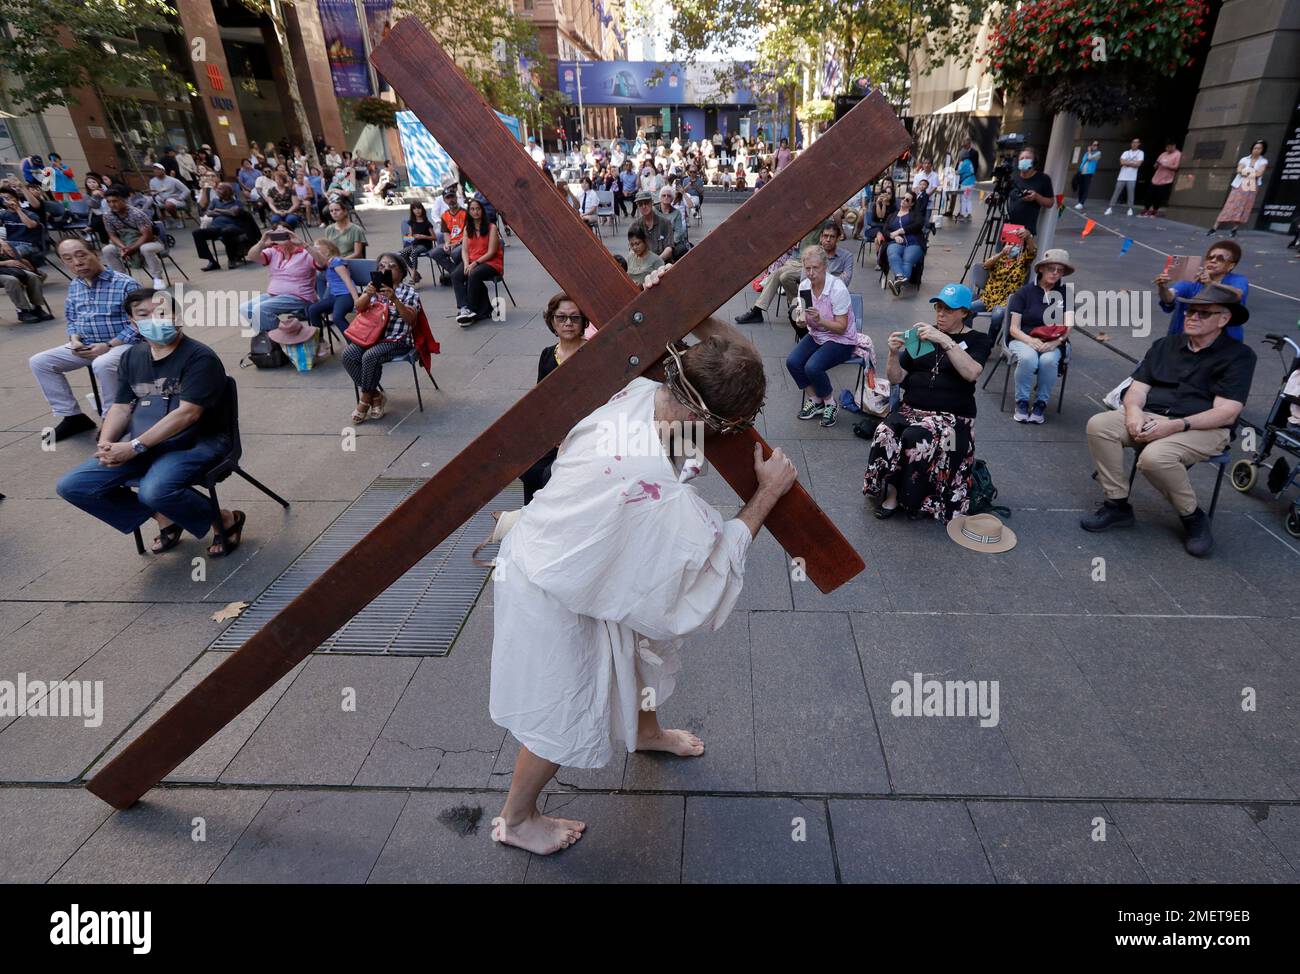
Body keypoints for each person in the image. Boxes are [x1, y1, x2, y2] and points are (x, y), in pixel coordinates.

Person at [488, 329, 796, 855]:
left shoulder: (633, 389)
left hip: (586, 563)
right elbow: (702, 581)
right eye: (728, 427)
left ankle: (646, 731)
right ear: (707, 421)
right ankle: (517, 820)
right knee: (561, 704)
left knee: (639, 653)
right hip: (554, 590)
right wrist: (766, 493)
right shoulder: (655, 496)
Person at [55, 287, 247, 557]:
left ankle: (225, 520)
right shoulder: (131, 356)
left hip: (197, 441)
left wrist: (134, 447)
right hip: (147, 440)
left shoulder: (199, 357)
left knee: (154, 490)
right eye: (143, 314)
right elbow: (120, 407)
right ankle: (165, 517)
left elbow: (188, 414)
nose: (154, 320)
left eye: (161, 312)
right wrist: (107, 444)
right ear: (133, 323)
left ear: (176, 317)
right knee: (74, 486)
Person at [1081, 283, 1256, 557]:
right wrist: (1134, 413)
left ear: (1224, 319)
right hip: (1154, 415)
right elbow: (1138, 389)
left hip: (1203, 426)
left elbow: (1227, 412)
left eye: (1203, 313)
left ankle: (1193, 517)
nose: (1192, 316)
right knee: (1100, 425)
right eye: (1190, 310)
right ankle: (1117, 505)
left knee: (1154, 458)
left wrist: (1176, 425)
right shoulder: (1165, 345)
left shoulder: (1239, 356)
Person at [864, 283, 994, 521]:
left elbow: (972, 372)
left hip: (953, 418)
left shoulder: (978, 340)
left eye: (948, 310)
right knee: (885, 430)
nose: (941, 314)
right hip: (912, 408)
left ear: (965, 312)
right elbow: (897, 378)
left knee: (915, 436)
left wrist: (945, 340)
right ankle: (888, 489)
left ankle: (903, 498)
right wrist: (893, 354)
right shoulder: (922, 336)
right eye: (938, 308)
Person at [29, 238, 143, 440]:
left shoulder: (125, 283)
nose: (77, 262)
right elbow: (72, 318)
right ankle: (72, 416)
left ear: (95, 254)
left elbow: (140, 323)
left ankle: (112, 420)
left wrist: (108, 345)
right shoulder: (76, 285)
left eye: (81, 255)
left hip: (124, 345)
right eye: (68, 259)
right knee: (40, 361)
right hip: (87, 345)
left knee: (103, 363)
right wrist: (74, 339)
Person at [520, 293, 589, 504]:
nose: (568, 323)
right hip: (552, 432)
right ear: (552, 321)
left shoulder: (592, 353)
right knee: (529, 469)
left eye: (575, 317)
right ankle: (532, 520)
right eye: (561, 317)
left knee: (553, 474)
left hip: (585, 431)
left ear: (584, 321)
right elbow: (541, 400)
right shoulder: (548, 354)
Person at [786, 245, 858, 428]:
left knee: (813, 367)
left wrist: (820, 320)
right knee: (793, 362)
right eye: (807, 268)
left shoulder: (837, 289)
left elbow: (841, 328)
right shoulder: (804, 286)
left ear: (825, 267)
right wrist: (800, 321)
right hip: (818, 333)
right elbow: (802, 318)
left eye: (815, 268)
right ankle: (815, 399)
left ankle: (830, 404)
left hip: (842, 340)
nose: (810, 273)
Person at [343, 252, 420, 422]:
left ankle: (364, 401)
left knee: (370, 356)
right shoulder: (374, 288)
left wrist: (395, 299)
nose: (386, 269)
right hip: (370, 337)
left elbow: (410, 319)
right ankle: (375, 396)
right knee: (348, 354)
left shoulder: (409, 292)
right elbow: (358, 308)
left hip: (397, 340)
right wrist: (368, 294)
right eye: (382, 266)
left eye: (392, 267)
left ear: (401, 272)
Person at [1006, 248, 1075, 424]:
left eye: (1060, 270)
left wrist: (1056, 342)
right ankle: (1021, 401)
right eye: (1052, 268)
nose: (1055, 273)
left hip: (1055, 340)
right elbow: (1013, 329)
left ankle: (1040, 403)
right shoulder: (1024, 292)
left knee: (1049, 361)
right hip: (1023, 338)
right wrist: (1031, 341)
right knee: (1029, 358)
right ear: (1041, 269)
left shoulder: (1066, 293)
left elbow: (1069, 325)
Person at [1156, 240, 1249, 341]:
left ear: (1231, 266)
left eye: (1220, 259)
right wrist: (1163, 286)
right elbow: (1169, 298)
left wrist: (1211, 284)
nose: (1213, 261)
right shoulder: (1193, 278)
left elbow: (1237, 294)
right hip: (1184, 339)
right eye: (1210, 257)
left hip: (1223, 342)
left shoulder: (1238, 280)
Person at [240, 229, 322, 333]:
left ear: (291, 235)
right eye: (276, 234)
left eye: (283, 234)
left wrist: (303, 244)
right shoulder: (274, 251)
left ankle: (279, 340)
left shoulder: (305, 253)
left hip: (299, 297)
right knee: (244, 309)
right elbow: (251, 256)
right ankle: (269, 340)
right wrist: (262, 243)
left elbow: (323, 263)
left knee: (260, 309)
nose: (279, 237)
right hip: (274, 295)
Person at [970, 226, 1036, 341]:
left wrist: (1028, 236)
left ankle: (989, 342)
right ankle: (967, 338)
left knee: (998, 315)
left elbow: (1032, 252)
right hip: (988, 298)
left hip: (1005, 301)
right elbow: (985, 265)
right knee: (966, 309)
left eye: (1016, 244)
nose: (1013, 247)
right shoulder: (999, 258)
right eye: (1010, 243)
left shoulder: (1022, 260)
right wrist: (1001, 254)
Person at [101, 189, 167, 288]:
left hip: (150, 242)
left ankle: (158, 278)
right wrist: (123, 247)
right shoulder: (107, 216)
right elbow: (112, 235)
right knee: (107, 249)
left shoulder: (136, 214)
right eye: (109, 202)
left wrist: (131, 249)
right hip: (125, 242)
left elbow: (147, 236)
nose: (112, 204)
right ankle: (121, 280)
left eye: (114, 201)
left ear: (123, 200)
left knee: (146, 248)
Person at [453, 198, 502, 325]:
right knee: (456, 275)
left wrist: (474, 264)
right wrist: (465, 264)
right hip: (471, 261)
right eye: (472, 209)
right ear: (469, 212)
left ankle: (471, 308)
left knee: (473, 273)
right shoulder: (467, 228)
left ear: (482, 211)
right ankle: (463, 307)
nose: (475, 212)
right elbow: (464, 250)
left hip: (490, 262)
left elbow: (491, 252)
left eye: (478, 209)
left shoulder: (492, 227)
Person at [1209, 140, 1268, 237]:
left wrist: (1246, 172)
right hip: (1240, 184)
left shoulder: (1263, 161)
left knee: (1244, 207)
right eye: (1255, 148)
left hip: (1252, 186)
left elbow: (1259, 174)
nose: (1256, 150)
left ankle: (1234, 229)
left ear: (1263, 150)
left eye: (1259, 148)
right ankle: (1214, 227)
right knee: (1230, 204)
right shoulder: (1244, 159)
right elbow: (1239, 170)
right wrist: (1251, 172)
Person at [193, 181, 252, 271]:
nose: (217, 190)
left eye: (220, 189)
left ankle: (232, 259)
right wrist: (225, 212)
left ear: (228, 191)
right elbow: (208, 213)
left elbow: (234, 212)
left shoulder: (237, 202)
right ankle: (212, 261)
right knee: (197, 233)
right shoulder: (215, 201)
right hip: (216, 228)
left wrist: (217, 210)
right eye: (217, 188)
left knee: (227, 231)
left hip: (233, 228)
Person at [306, 238, 359, 335]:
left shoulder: (336, 261)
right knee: (313, 309)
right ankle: (319, 340)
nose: (315, 250)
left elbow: (347, 280)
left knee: (337, 318)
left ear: (328, 249)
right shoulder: (327, 263)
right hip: (335, 296)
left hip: (345, 295)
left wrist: (356, 300)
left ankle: (354, 343)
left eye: (317, 248)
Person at [879, 189, 926, 295]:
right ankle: (900, 278)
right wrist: (893, 236)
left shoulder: (915, 214)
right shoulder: (892, 215)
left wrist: (900, 231)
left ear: (912, 203)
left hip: (914, 242)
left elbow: (918, 224)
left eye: (907, 200)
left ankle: (898, 283)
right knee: (892, 254)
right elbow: (885, 229)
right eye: (903, 198)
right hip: (896, 242)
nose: (903, 200)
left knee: (907, 259)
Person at [0, 237, 51, 322]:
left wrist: (7, 248)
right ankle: (22, 310)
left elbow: (16, 258)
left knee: (32, 276)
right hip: (5, 270)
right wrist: (4, 263)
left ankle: (37, 307)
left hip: (9, 269)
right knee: (11, 280)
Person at [1008, 147, 1053, 235]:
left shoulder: (1043, 179)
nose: (1024, 160)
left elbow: (1050, 202)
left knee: (1017, 249)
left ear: (1034, 161)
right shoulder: (1013, 178)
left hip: (1026, 230)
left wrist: (1036, 196)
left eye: (1028, 158)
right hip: (1009, 226)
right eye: (1021, 158)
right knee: (1002, 249)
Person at [0, 186, 48, 261]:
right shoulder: (3, 214)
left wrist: (17, 209)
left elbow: (30, 225)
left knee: (10, 255)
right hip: (9, 243)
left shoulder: (30, 214)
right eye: (3, 199)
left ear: (17, 199)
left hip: (27, 244)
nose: (6, 201)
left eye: (9, 198)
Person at [432, 190, 466, 284]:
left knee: (455, 253)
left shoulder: (465, 213)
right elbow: (446, 233)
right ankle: (456, 273)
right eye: (448, 198)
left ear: (456, 197)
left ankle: (459, 275)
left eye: (452, 197)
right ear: (444, 200)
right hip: (452, 243)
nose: (451, 200)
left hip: (464, 243)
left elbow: (469, 233)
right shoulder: (444, 216)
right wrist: (447, 243)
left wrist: (457, 243)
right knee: (434, 253)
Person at [1105, 138, 1144, 216]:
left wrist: (1127, 163)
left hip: (1132, 177)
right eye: (1133, 142)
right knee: (1116, 192)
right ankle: (1110, 208)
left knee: (1131, 193)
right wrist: (1132, 163)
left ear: (1139, 144)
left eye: (1136, 142)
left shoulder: (1140, 153)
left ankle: (1130, 209)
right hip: (1122, 176)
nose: (1134, 144)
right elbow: (1122, 162)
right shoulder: (1126, 152)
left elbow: (1138, 164)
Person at [400, 201, 436, 283]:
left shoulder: (427, 223)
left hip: (425, 245)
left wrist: (424, 236)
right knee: (402, 253)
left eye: (419, 208)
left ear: (422, 209)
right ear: (412, 211)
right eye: (414, 209)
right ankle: (416, 273)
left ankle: (413, 276)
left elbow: (434, 237)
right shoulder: (411, 222)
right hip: (415, 244)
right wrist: (409, 237)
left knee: (413, 252)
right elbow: (409, 238)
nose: (417, 210)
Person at [1142, 141, 1181, 217]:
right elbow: (1155, 165)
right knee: (1149, 195)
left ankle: (1154, 211)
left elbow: (1176, 167)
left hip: (1166, 180)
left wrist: (1165, 165)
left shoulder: (1178, 154)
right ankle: (1146, 209)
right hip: (1156, 178)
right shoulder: (1163, 154)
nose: (1167, 149)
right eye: (1166, 147)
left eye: (1169, 147)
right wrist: (1156, 165)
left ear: (1173, 146)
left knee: (1158, 197)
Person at [657, 186, 690, 260]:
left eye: (669, 195)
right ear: (660, 197)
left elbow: (678, 233)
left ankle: (661, 260)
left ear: (672, 198)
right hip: (656, 241)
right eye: (664, 195)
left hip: (671, 243)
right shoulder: (654, 210)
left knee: (682, 249)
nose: (666, 197)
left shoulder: (676, 213)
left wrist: (668, 244)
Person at [1073, 140, 1102, 210]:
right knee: (1081, 188)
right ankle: (1079, 202)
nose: (1095, 146)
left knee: (1086, 188)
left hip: (1088, 173)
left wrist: (1089, 151)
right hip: (1082, 172)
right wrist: (1079, 170)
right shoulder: (1086, 153)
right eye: (1093, 145)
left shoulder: (1098, 153)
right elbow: (1083, 161)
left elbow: (1090, 158)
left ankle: (1081, 203)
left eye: (1096, 145)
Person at [957, 154, 976, 220]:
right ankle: (969, 214)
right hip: (971, 182)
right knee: (968, 199)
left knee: (963, 199)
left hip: (966, 183)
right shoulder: (969, 162)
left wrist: (953, 172)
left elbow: (959, 172)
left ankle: (962, 214)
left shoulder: (963, 163)